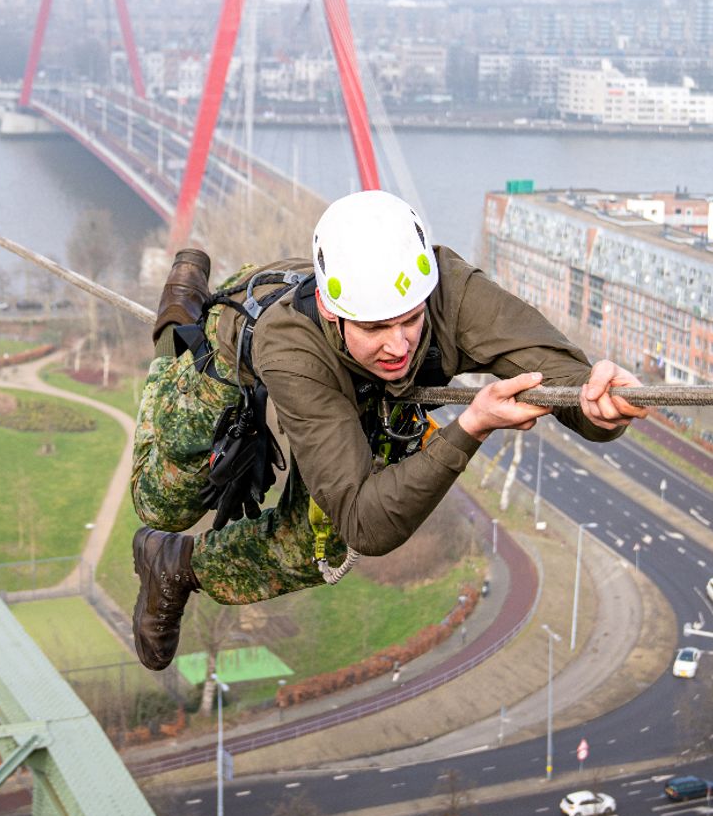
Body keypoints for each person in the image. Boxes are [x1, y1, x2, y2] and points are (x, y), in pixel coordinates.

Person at [130, 190, 647, 671]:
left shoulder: (452, 291)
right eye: (375, 328)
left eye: (410, 320)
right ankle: (179, 323)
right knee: (163, 504)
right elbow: (367, 521)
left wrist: (600, 406)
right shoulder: (292, 345)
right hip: (242, 340)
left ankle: (174, 563)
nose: (399, 346)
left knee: (321, 549)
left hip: (363, 390)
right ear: (334, 312)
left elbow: (565, 382)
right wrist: (469, 428)